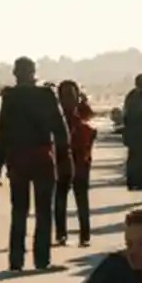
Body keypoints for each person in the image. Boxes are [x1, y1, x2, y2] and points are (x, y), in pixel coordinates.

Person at [0, 56, 73, 272]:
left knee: (19, 210)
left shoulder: (10, 97)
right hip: (42, 157)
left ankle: (16, 261)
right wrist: (64, 158)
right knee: (44, 210)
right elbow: (60, 129)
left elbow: (3, 133)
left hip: (17, 159)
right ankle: (42, 259)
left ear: (15, 73)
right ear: (34, 72)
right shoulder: (46, 95)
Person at [54, 80, 96, 248]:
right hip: (76, 159)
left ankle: (63, 234)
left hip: (69, 159)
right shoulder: (81, 111)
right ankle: (82, 235)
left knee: (62, 198)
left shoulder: (59, 113)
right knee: (79, 198)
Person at [121, 73, 142, 191]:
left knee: (135, 157)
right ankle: (138, 181)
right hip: (139, 130)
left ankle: (134, 181)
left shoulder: (131, 95)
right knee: (140, 157)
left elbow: (126, 114)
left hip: (133, 130)